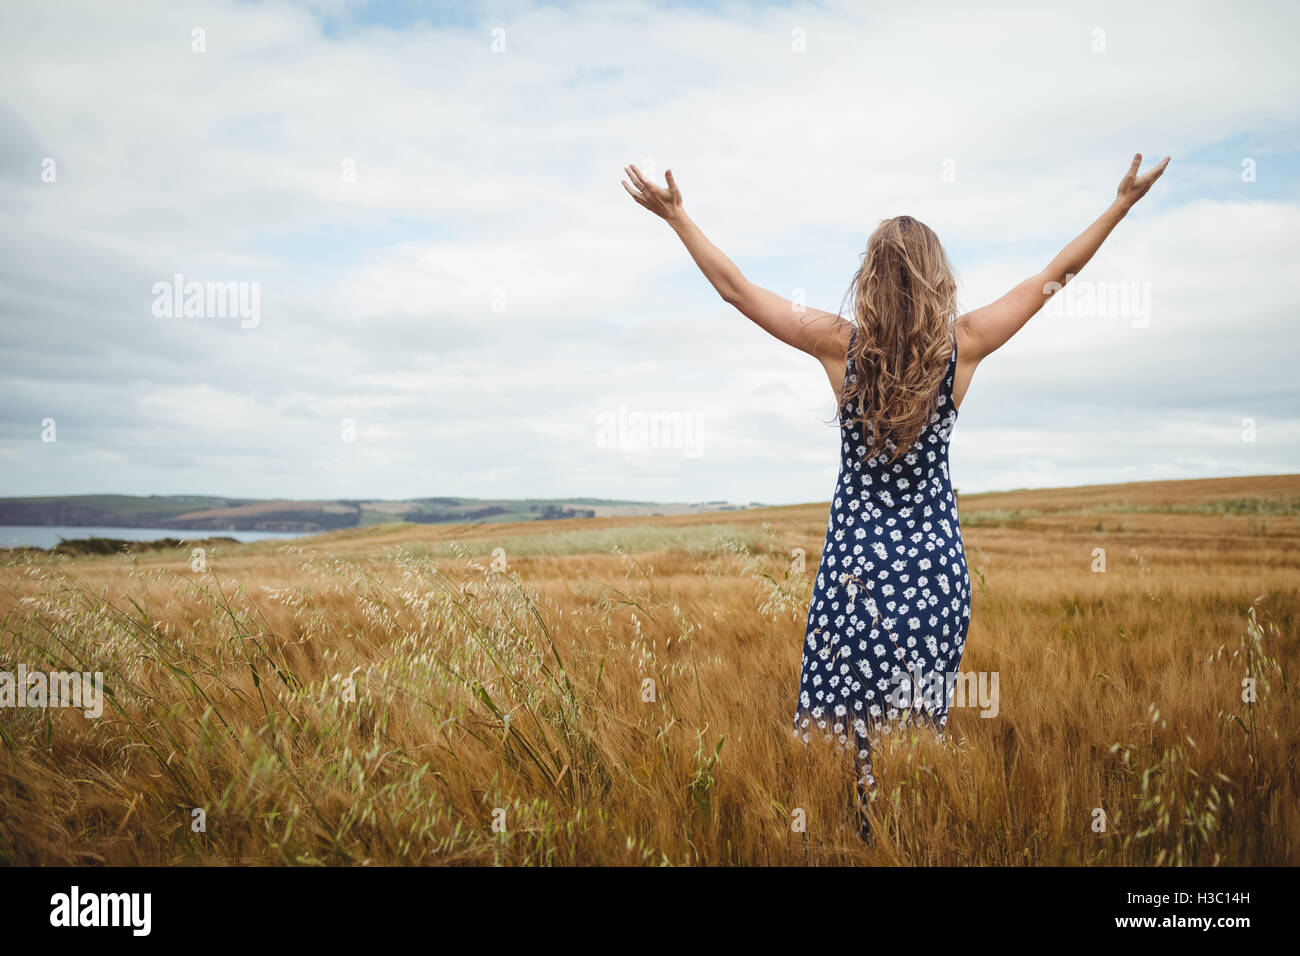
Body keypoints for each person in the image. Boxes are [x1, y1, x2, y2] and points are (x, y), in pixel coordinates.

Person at [621, 153, 1169, 820]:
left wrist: (678, 217)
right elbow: (1053, 278)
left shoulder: (836, 344)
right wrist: (1120, 206)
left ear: (870, 280)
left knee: (838, 735)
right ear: (938, 279)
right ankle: (905, 837)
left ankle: (843, 832)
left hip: (855, 572)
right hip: (935, 574)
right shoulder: (961, 347)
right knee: (912, 741)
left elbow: (737, 291)